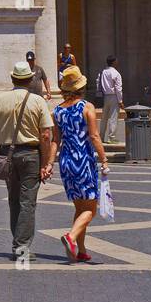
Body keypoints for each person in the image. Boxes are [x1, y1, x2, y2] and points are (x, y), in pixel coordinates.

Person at [0, 62, 56, 263]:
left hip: (6, 155)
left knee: (14, 201)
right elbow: (46, 135)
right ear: (30, 80)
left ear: (13, 79)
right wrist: (47, 163)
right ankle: (21, 247)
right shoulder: (38, 101)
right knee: (27, 202)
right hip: (31, 155)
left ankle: (18, 243)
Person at [52, 66, 108, 263]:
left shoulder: (57, 110)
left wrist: (49, 163)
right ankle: (71, 237)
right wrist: (104, 158)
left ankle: (81, 250)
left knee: (79, 207)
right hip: (83, 160)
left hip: (66, 161)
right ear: (81, 87)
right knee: (90, 209)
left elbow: (55, 140)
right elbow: (94, 135)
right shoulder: (87, 107)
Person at [97, 55, 124, 143]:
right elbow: (118, 88)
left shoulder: (102, 72)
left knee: (104, 117)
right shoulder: (116, 73)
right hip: (114, 96)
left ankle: (101, 136)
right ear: (113, 62)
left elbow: (98, 82)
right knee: (113, 117)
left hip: (105, 96)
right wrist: (120, 101)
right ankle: (111, 137)